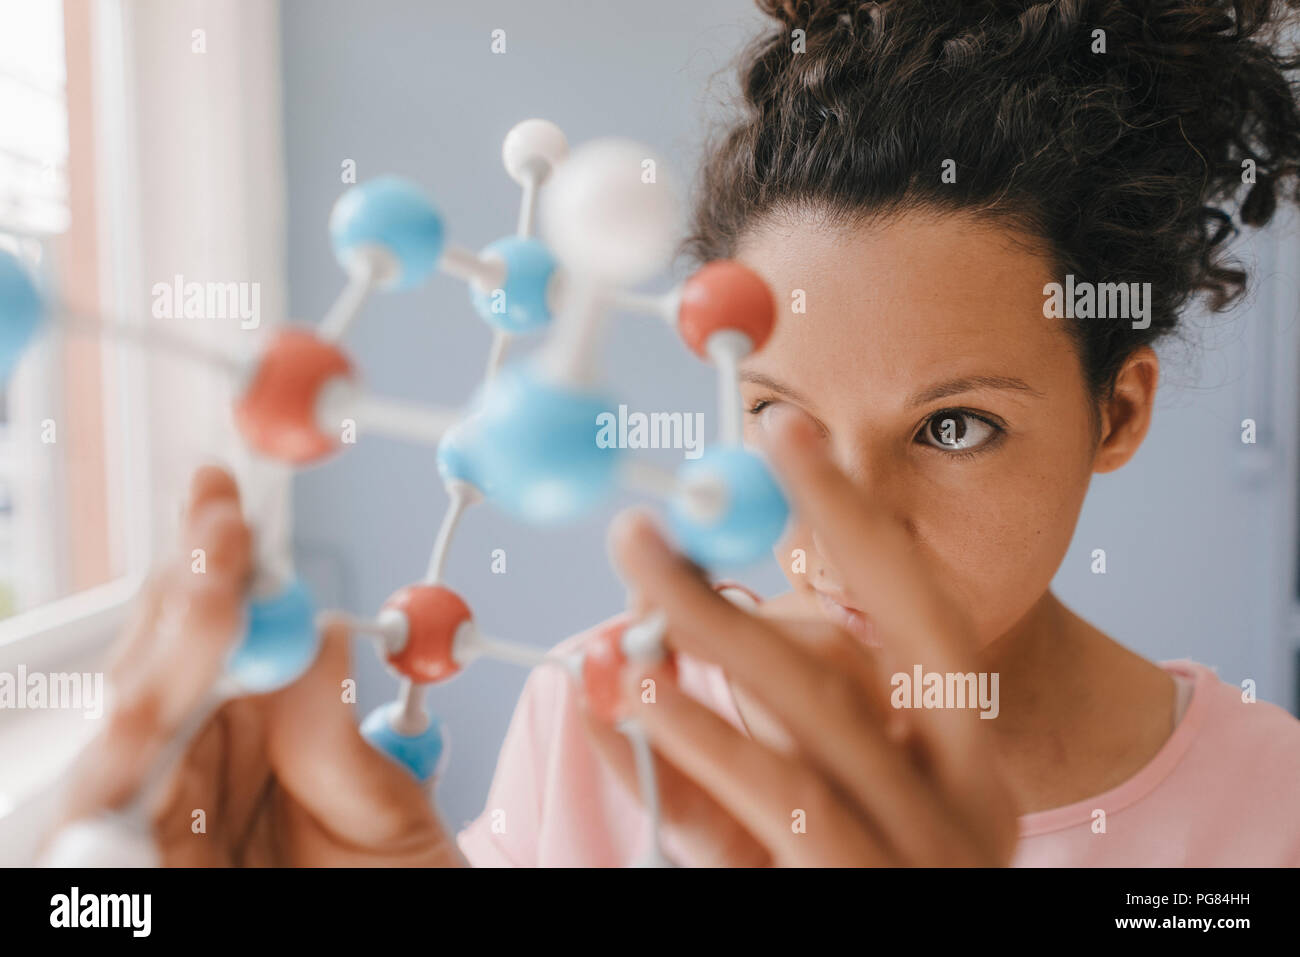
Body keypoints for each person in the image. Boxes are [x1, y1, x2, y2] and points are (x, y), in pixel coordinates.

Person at [56, 0, 1300, 866]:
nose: (841, 526)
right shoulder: (600, 711)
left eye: (954, 426)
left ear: (1115, 412)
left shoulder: (1276, 805)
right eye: (775, 417)